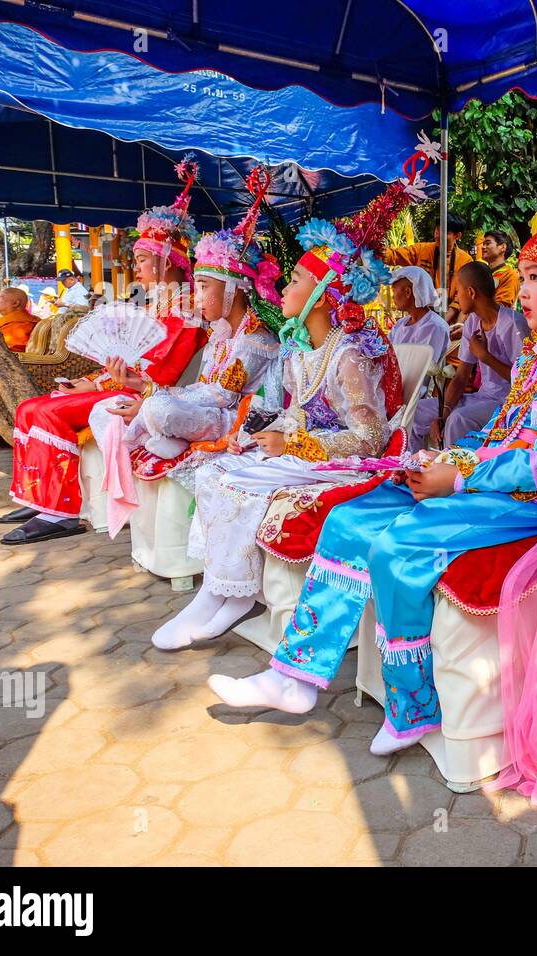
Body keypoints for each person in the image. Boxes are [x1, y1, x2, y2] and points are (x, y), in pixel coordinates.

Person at [206, 185, 537, 799]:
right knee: (350, 522)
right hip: (487, 478)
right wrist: (444, 458)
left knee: (398, 548)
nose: (523, 290)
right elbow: (503, 429)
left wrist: (459, 475)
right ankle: (295, 677)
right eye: (524, 275)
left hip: (533, 505)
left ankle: (414, 708)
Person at [152, 202, 405, 650]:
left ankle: (236, 595)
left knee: (237, 484)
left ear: (322, 296)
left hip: (342, 461)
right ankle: (220, 589)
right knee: (214, 471)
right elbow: (298, 412)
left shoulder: (347, 356)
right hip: (305, 448)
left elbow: (372, 438)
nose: (283, 290)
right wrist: (259, 436)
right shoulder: (302, 351)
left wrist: (294, 443)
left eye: (294, 281)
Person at [0, 164, 208, 545]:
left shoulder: (186, 311)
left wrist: (116, 379)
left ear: (167, 260)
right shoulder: (154, 304)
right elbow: (127, 357)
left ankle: (59, 511)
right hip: (121, 384)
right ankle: (37, 494)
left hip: (144, 394)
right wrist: (92, 380)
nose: (136, 267)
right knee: (30, 407)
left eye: (143, 260)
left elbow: (165, 374)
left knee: (48, 411)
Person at [99, 170, 283, 480]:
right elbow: (199, 387)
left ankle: (158, 437)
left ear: (233, 288)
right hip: (201, 410)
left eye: (203, 286)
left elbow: (221, 396)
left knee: (159, 410)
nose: (195, 297)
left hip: (229, 420)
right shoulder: (220, 334)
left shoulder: (256, 339)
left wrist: (152, 398)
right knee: (111, 410)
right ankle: (158, 437)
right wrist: (151, 394)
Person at [438, 261, 525, 448]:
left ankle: (451, 474)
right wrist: (443, 413)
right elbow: (461, 377)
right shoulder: (472, 323)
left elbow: (525, 381)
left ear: (471, 292)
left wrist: (485, 357)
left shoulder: (513, 323)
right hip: (483, 397)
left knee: (458, 419)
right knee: (421, 411)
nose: (456, 297)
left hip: (508, 403)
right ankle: (411, 468)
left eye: (458, 291)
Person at [385, 265, 450, 451]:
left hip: (414, 396)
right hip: (393, 389)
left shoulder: (434, 326)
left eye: (394, 291)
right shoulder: (400, 325)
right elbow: (385, 355)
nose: (392, 296)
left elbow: (421, 370)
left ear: (408, 292)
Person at [385, 212, 475, 322]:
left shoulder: (465, 260)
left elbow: (461, 296)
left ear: (457, 236)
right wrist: (374, 252)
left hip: (451, 319)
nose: (437, 235)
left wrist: (444, 322)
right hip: (423, 316)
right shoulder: (422, 249)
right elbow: (394, 255)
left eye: (443, 232)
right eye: (437, 230)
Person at [480, 229, 520, 307]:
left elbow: (500, 309)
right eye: (483, 244)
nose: (483, 247)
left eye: (487, 243)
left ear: (503, 247)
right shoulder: (481, 273)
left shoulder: (510, 275)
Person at [0, 287, 39, 352]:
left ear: (15, 303)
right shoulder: (14, 320)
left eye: (1, 297)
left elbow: (13, 349)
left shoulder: (22, 324)